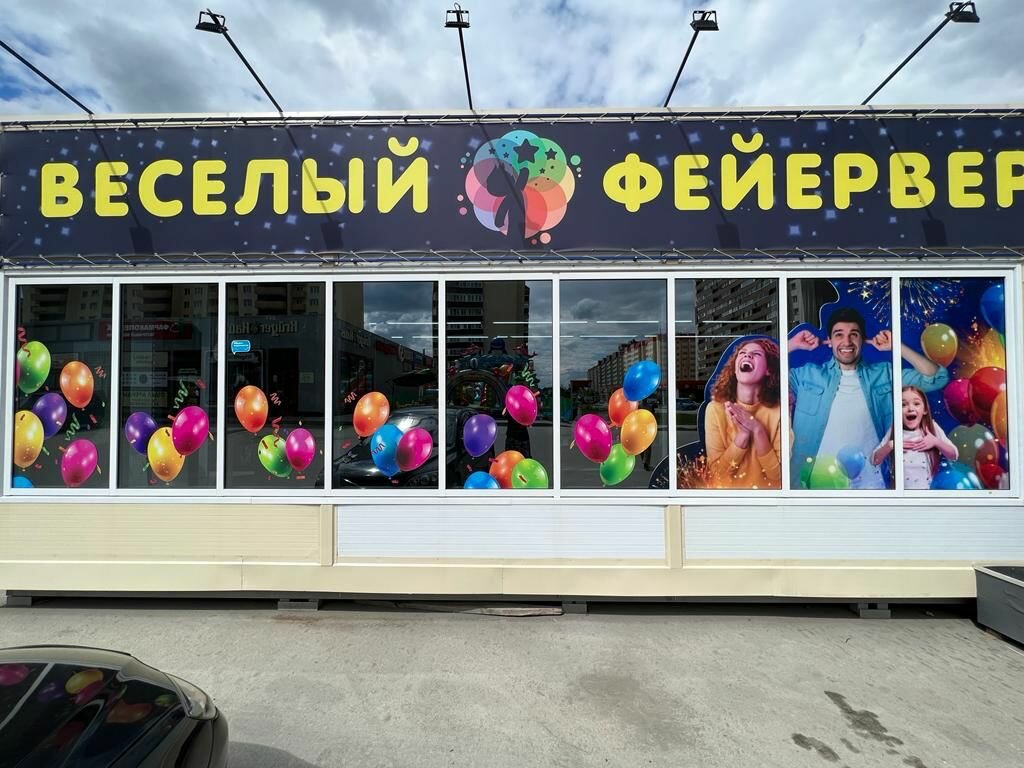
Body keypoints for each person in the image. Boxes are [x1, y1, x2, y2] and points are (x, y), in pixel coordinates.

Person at [788, 307, 949, 489]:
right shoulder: (806, 376)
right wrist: (791, 345)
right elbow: (765, 376)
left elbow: (937, 378)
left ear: (863, 340)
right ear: (829, 341)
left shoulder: (885, 374)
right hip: (815, 487)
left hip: (873, 486)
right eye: (839, 335)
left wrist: (897, 346)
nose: (847, 341)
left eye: (854, 335)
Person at [704, 338, 782, 489]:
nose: (747, 355)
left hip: (768, 500)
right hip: (729, 500)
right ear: (735, 368)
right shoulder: (715, 410)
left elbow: (778, 475)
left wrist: (758, 430)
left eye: (757, 354)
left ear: (769, 370)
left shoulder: (780, 411)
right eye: (743, 353)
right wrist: (743, 435)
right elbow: (718, 474)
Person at [870, 386, 958, 489]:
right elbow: (874, 460)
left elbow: (954, 455)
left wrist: (936, 442)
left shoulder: (931, 427)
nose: (910, 408)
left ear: (925, 410)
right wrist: (891, 445)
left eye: (916, 404)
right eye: (903, 405)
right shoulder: (895, 431)